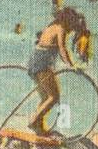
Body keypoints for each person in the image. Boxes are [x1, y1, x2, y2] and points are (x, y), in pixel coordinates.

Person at [26, 7, 87, 136]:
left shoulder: (51, 25)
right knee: (54, 97)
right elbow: (62, 48)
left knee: (45, 97)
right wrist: (72, 65)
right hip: (42, 63)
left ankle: (38, 127)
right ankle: (33, 120)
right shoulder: (61, 28)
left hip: (33, 61)